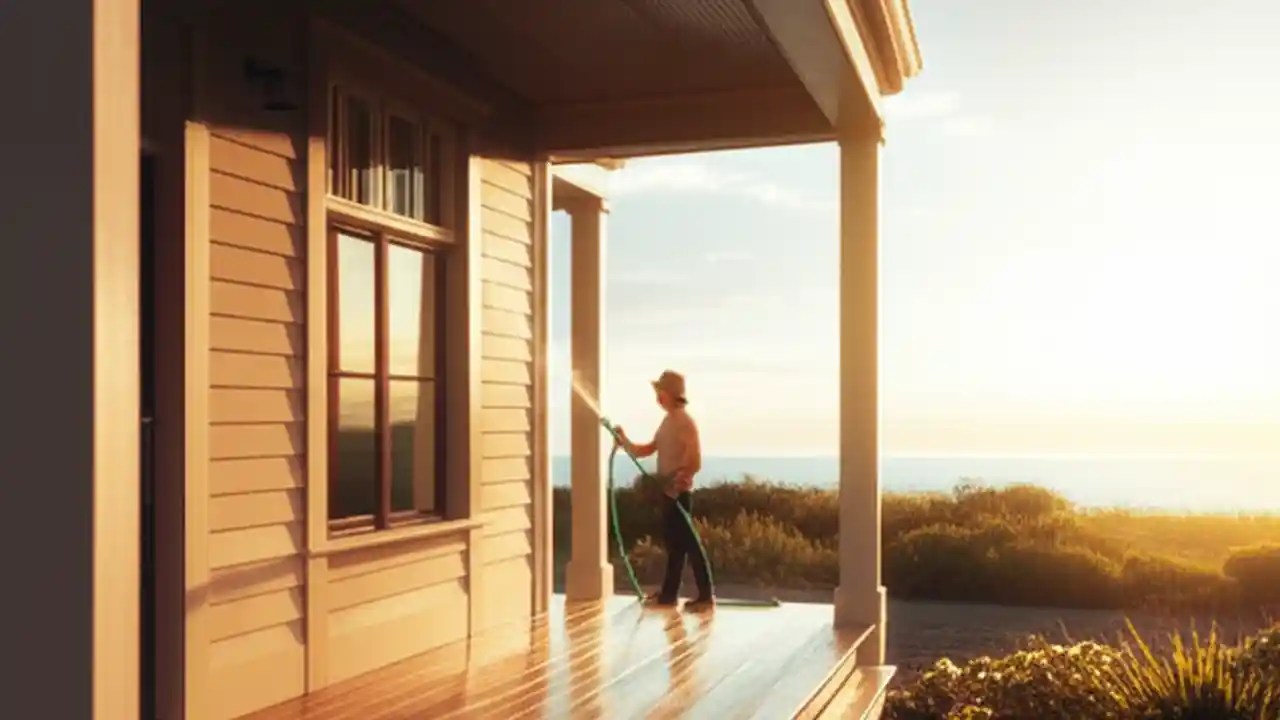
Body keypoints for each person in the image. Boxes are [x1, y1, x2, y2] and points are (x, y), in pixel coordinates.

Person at [616, 370, 715, 611]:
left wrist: (676, 484)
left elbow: (695, 462)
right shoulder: (668, 421)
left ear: (671, 395)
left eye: (660, 392)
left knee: (689, 545)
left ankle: (705, 597)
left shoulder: (685, 422)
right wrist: (624, 440)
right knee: (676, 547)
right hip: (668, 494)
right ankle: (669, 595)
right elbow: (648, 450)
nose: (657, 397)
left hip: (679, 495)